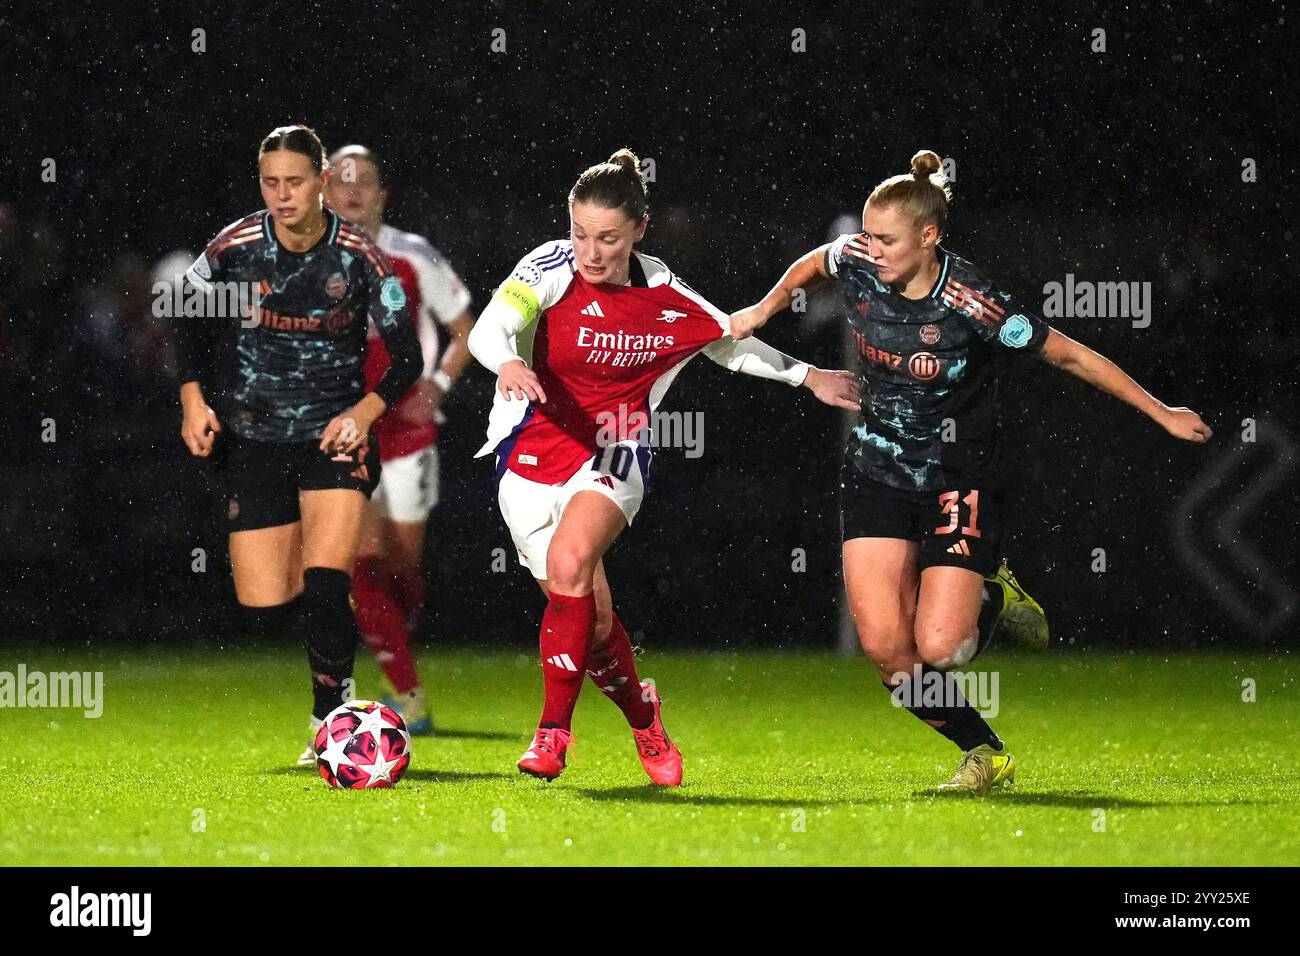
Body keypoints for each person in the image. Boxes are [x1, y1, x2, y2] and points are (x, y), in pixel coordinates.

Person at [729, 149, 1212, 794]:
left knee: (939, 650)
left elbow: (1066, 356)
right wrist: (763, 312)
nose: (870, 251)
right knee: (887, 652)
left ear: (929, 237)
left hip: (958, 477)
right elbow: (816, 262)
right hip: (876, 471)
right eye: (867, 237)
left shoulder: (974, 301)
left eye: (887, 240)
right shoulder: (858, 260)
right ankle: (982, 751)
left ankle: (993, 593)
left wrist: (1161, 411)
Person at [468, 148, 860, 785]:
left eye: (607, 239)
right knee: (591, 626)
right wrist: (508, 362)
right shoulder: (548, 265)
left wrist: (808, 376)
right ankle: (644, 717)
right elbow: (490, 328)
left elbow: (728, 344)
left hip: (615, 450)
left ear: (639, 231)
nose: (590, 253)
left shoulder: (666, 297)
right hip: (528, 451)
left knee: (572, 562)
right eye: (580, 234)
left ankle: (551, 736)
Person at [171, 125, 422, 767]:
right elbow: (187, 318)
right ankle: (332, 663)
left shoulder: (362, 258)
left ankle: (329, 715)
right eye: (270, 182)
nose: (282, 195)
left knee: (326, 580)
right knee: (263, 594)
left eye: (295, 182)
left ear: (321, 183)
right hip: (254, 436)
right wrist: (193, 399)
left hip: (332, 437)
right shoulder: (234, 246)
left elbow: (408, 358)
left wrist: (363, 414)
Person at [324, 144, 476, 735]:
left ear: (382, 194)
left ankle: (391, 645)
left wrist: (437, 384)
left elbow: (468, 328)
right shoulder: (308, 259)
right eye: (342, 180)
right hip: (343, 433)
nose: (353, 191)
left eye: (365, 182)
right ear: (324, 192)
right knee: (360, 563)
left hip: (409, 436)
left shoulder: (411, 257)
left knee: (401, 570)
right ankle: (409, 696)